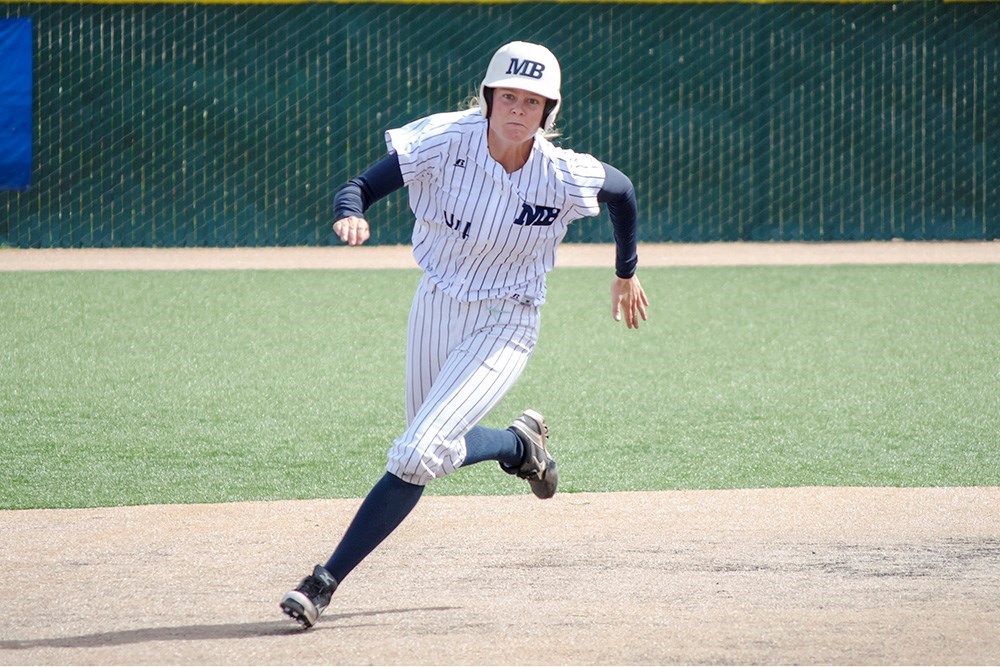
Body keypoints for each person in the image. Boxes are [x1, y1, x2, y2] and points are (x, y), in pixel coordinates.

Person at [279, 40, 649, 628]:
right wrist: (351, 211)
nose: (519, 109)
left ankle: (322, 583)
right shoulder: (444, 141)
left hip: (509, 316)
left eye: (533, 101)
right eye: (509, 96)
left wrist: (625, 272)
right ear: (488, 97)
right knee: (430, 451)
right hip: (437, 301)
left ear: (548, 111)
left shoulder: (561, 173)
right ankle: (520, 446)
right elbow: (360, 187)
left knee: (419, 452)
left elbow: (623, 194)